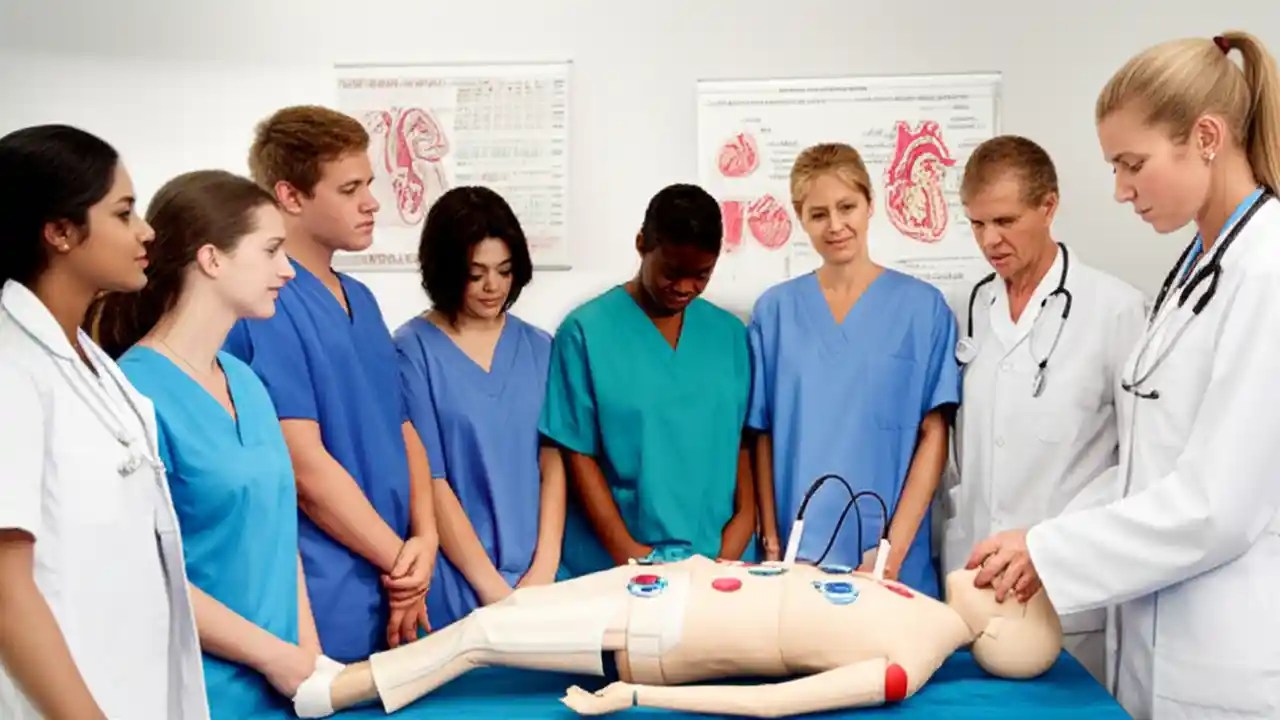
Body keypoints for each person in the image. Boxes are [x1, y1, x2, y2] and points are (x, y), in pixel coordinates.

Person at [969, 30, 1280, 718]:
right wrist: (1037, 541)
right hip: (1151, 643)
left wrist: (1051, 547)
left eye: (1130, 164)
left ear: (1205, 136)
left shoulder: (1268, 272)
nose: (1119, 190)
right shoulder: (1193, 273)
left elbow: (1216, 504)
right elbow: (1145, 463)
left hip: (1225, 655)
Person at [90, 169, 346, 718]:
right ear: (212, 259)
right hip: (204, 694)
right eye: (272, 250)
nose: (287, 269)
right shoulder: (134, 394)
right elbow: (143, 574)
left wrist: (310, 658)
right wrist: (273, 657)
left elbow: (280, 534)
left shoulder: (245, 380)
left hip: (288, 688)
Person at [286, 554, 1064, 718]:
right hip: (674, 579)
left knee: (485, 633)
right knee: (521, 605)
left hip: (663, 631)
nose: (998, 569)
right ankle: (344, 674)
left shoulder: (905, 666)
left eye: (1012, 588)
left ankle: (336, 690)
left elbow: (773, 706)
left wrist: (637, 696)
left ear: (1001, 625)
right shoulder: (902, 593)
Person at [0, 125, 206, 718]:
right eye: (124, 213)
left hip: (130, 685)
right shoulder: (13, 371)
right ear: (61, 232)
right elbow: (7, 589)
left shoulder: (92, 363)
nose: (146, 231)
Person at [223, 105, 439, 662]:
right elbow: (305, 469)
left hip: (396, 573)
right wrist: (400, 563)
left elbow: (404, 429)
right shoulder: (264, 308)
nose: (372, 202)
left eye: (369, 184)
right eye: (350, 189)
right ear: (290, 196)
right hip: (330, 586)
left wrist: (426, 538)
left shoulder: (363, 302)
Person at [941, 135, 1146, 683]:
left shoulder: (1115, 310)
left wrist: (1057, 542)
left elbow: (1140, 460)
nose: (990, 240)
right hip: (977, 590)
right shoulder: (973, 307)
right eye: (977, 224)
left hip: (1068, 592)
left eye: (1005, 221)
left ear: (1049, 206)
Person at [749, 143, 959, 599]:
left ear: (870, 205)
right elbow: (760, 435)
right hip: (795, 555)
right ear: (799, 217)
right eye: (818, 213)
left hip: (888, 559)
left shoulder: (923, 309)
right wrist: (771, 543)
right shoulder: (775, 312)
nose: (836, 225)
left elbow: (934, 435)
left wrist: (890, 554)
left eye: (847, 207)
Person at [539, 183, 756, 578]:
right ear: (642, 243)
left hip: (722, 560)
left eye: (702, 275)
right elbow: (577, 453)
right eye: (672, 272)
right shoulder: (585, 333)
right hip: (620, 564)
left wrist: (743, 525)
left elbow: (739, 439)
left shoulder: (729, 335)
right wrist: (627, 552)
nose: (686, 287)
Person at [395, 185, 566, 630]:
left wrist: (543, 572)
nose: (493, 287)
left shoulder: (538, 348)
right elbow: (431, 479)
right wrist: (491, 588)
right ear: (446, 271)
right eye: (476, 274)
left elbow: (552, 463)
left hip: (542, 581)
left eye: (505, 271)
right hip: (459, 582)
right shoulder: (413, 350)